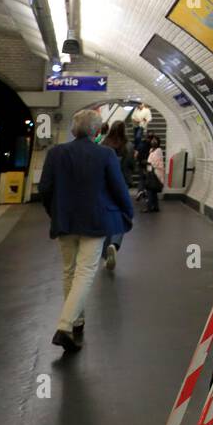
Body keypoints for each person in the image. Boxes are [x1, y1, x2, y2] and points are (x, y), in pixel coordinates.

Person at [39, 108, 134, 352]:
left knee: (69, 271)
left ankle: (77, 320)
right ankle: (65, 325)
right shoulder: (105, 154)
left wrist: (55, 212)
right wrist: (127, 212)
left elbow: (45, 189)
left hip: (64, 221)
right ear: (96, 130)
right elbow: (118, 188)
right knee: (85, 272)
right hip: (95, 221)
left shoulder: (55, 153)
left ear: (74, 129)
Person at [99, 120, 137, 270]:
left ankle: (105, 254)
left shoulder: (104, 144)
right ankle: (114, 244)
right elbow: (132, 166)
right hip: (122, 184)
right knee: (121, 216)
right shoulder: (128, 146)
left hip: (105, 185)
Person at [142, 135, 166, 213]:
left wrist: (147, 162)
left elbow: (155, 163)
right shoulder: (152, 150)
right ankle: (155, 207)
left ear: (158, 142)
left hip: (156, 173)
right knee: (153, 190)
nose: (153, 142)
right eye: (152, 140)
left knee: (150, 190)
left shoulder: (158, 151)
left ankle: (148, 207)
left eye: (155, 140)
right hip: (151, 172)